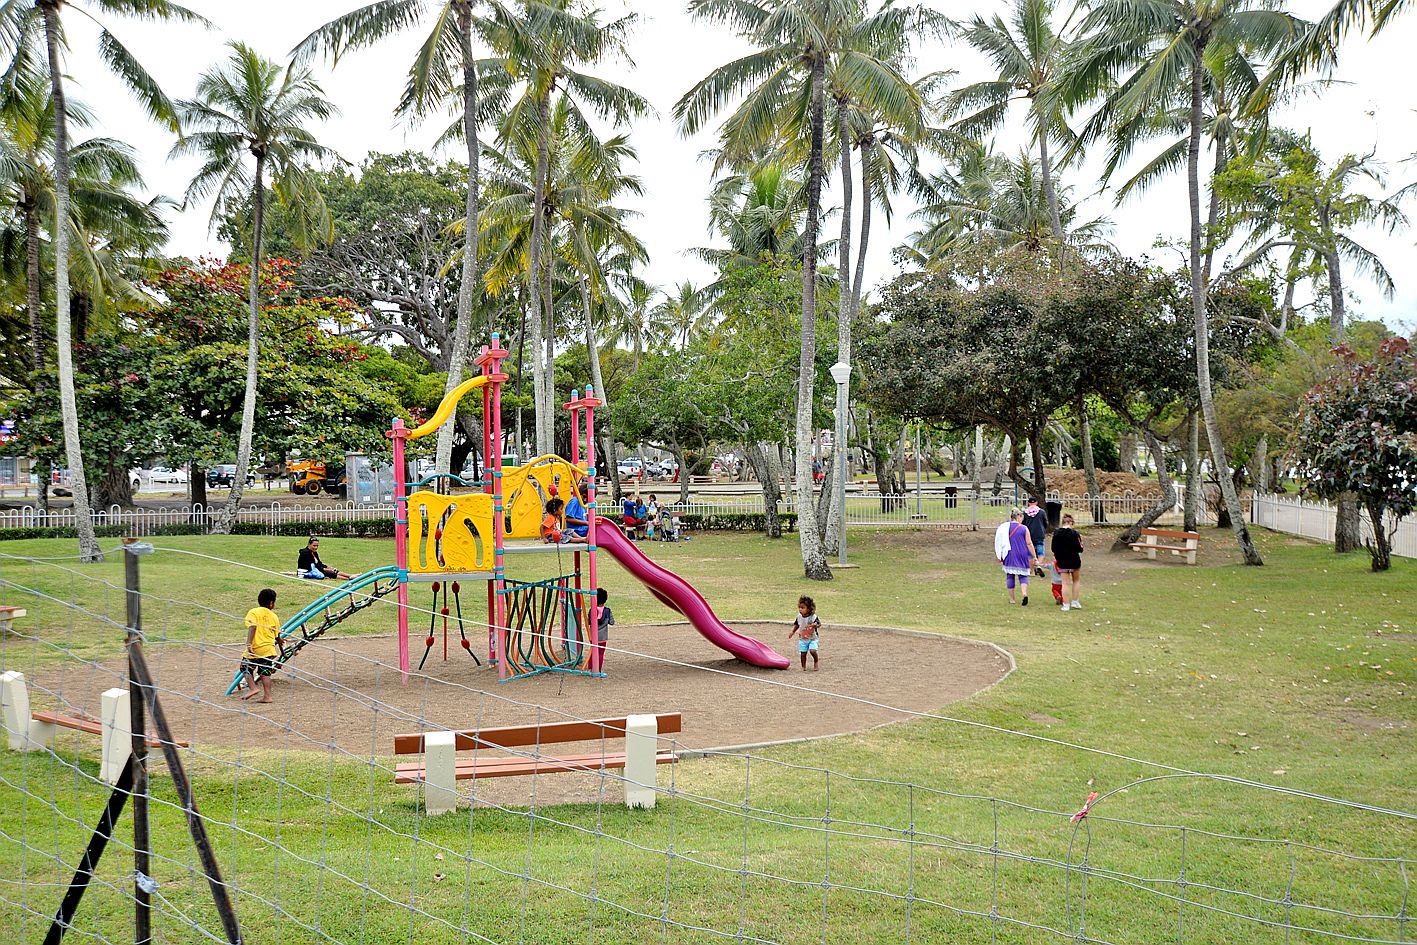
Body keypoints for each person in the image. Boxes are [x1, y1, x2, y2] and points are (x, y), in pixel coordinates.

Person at [239, 588, 284, 703]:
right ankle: (268, 696)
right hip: (268, 649)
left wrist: (249, 643)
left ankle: (253, 688)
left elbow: (252, 627)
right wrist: (281, 648)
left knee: (245, 667)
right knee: (265, 673)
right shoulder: (274, 616)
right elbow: (277, 636)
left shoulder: (253, 612)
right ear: (271, 603)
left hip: (255, 648)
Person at [995, 508, 1038, 605]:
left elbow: (999, 541)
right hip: (1022, 553)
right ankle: (1024, 593)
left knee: (1010, 575)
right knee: (1023, 576)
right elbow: (1029, 543)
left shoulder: (1004, 528)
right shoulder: (1024, 528)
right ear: (1018, 516)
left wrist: (999, 555)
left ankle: (1012, 599)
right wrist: (1034, 556)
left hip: (1009, 553)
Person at [1052, 513, 1084, 611]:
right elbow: (1080, 548)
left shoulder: (1056, 533)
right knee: (1076, 580)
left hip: (1062, 560)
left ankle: (1066, 604)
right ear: (1071, 523)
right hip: (1074, 559)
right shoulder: (1075, 534)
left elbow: (1053, 548)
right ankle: (1075, 601)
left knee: (1065, 583)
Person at [787, 595, 822, 671]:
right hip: (803, 638)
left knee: (812, 651)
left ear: (809, 609)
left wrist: (815, 625)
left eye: (803, 608)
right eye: (799, 607)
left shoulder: (813, 617)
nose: (800, 609)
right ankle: (803, 666)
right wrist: (792, 632)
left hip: (813, 638)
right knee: (803, 653)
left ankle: (816, 661)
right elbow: (797, 624)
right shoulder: (799, 616)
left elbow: (819, 624)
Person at [1022, 496, 1048, 577]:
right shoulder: (1042, 512)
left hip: (1029, 535)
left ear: (1029, 503)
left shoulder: (1025, 513)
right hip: (1039, 534)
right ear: (1036, 503)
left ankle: (1032, 572)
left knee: (1030, 553)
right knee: (1041, 552)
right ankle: (1038, 565)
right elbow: (1046, 523)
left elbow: (1023, 524)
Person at [593, 587, 614, 667]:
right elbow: (612, 622)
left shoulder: (592, 610)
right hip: (603, 637)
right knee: (601, 653)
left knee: (593, 652)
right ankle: (598, 669)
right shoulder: (607, 611)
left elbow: (588, 621)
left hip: (593, 636)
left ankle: (590, 668)